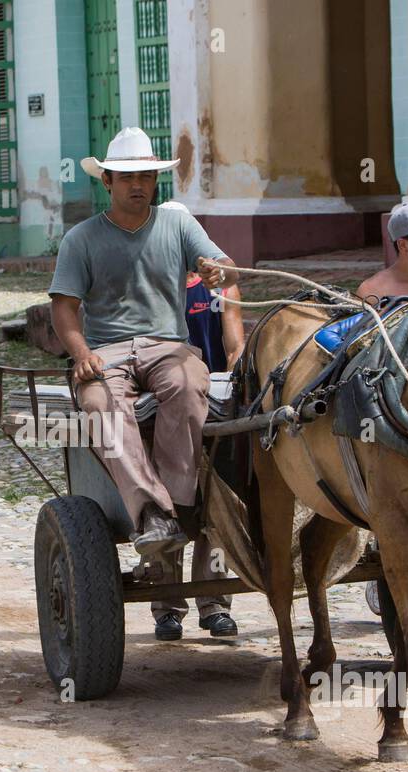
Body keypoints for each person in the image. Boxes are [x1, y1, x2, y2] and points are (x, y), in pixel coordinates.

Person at [47, 127, 240, 560]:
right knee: (99, 406)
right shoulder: (82, 239)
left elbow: (228, 270)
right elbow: (64, 309)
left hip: (168, 345)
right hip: (106, 351)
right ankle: (152, 512)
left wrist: (218, 272)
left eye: (146, 177)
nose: (138, 185)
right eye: (128, 177)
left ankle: (175, 507)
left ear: (155, 182)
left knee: (189, 386)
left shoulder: (177, 224)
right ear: (107, 181)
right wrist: (81, 355)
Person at [148, 200, 244, 640]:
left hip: (215, 397)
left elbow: (235, 342)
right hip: (165, 400)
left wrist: (232, 381)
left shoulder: (220, 284)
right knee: (169, 495)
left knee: (217, 496)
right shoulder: (149, 282)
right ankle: (167, 606)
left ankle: (213, 602)